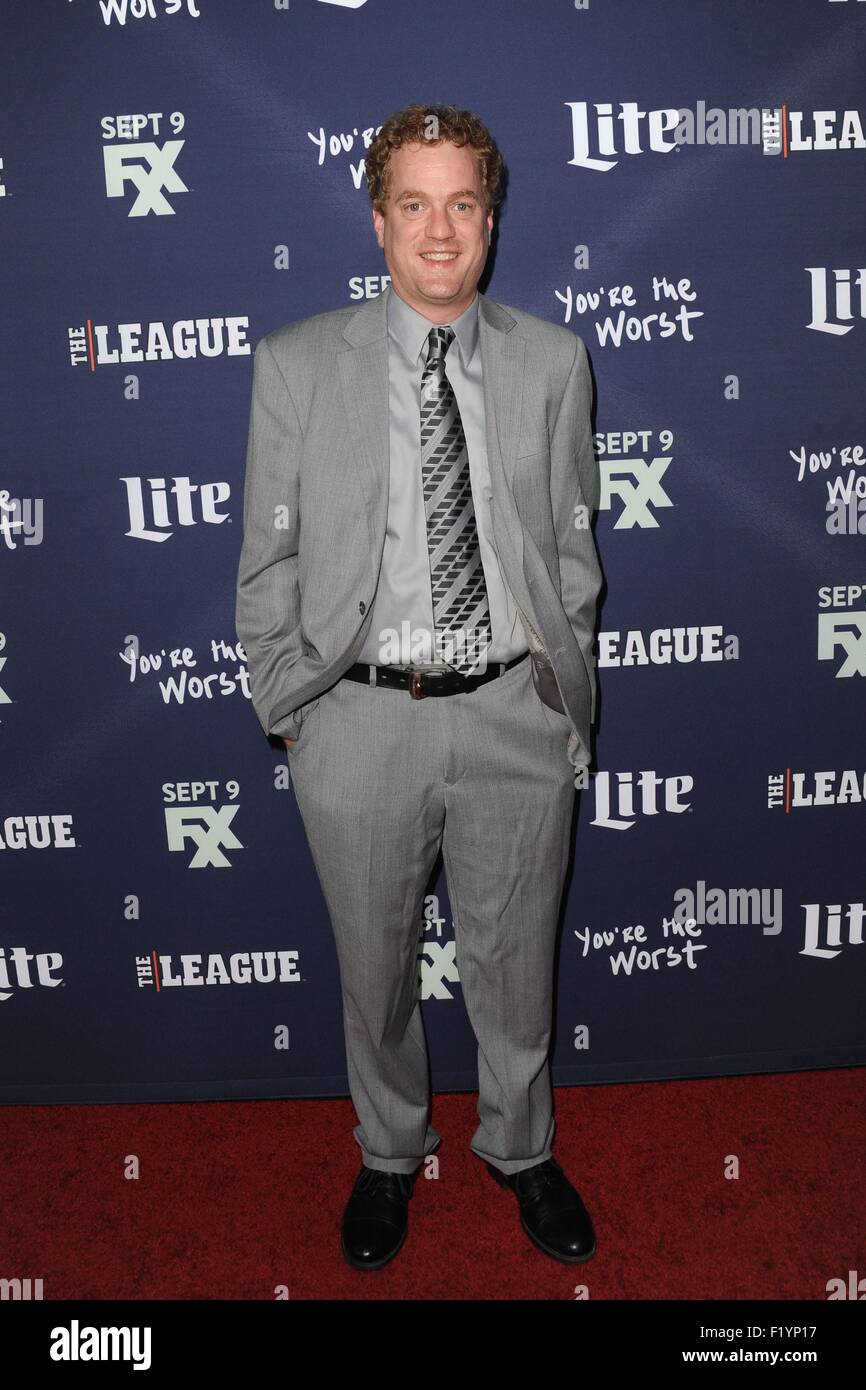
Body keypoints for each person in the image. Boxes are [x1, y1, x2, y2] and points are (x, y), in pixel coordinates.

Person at [235, 103, 604, 1271]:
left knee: (515, 963)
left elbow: (574, 550)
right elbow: (269, 562)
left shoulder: (554, 360)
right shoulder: (296, 365)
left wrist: (556, 686)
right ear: (379, 219)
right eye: (413, 203)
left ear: (489, 221)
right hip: (357, 720)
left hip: (512, 716)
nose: (438, 230)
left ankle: (520, 1143)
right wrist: (292, 711)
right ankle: (390, 1152)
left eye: (461, 204)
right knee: (375, 968)